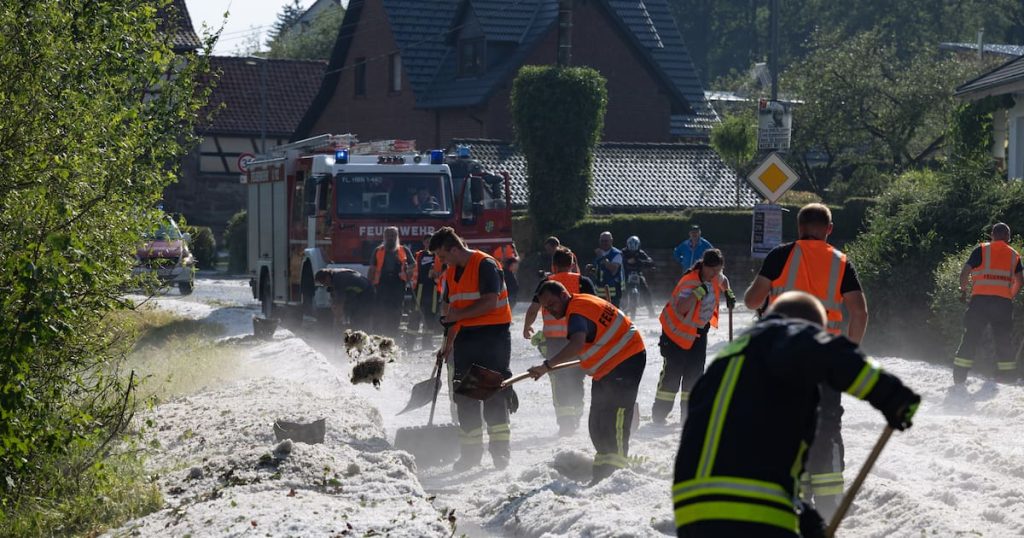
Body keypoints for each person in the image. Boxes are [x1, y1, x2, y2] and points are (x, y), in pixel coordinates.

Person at [673, 291, 920, 538]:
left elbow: (744, 457)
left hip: (691, 513)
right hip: (752, 509)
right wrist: (891, 395)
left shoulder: (725, 362)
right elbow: (831, 352)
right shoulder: (786, 333)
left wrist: (803, 517)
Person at [742, 202, 868, 519]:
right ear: (829, 229)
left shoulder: (780, 256)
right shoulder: (842, 262)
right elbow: (860, 312)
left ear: (798, 228)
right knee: (826, 427)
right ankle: (827, 507)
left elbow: (752, 301)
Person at [527, 280, 646, 484]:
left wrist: (547, 366)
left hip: (626, 360)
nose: (549, 310)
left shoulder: (577, 312)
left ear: (564, 295)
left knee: (614, 418)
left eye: (552, 304)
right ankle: (601, 472)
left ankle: (615, 475)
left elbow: (577, 343)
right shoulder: (579, 305)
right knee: (597, 422)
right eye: (545, 308)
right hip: (608, 366)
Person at [431, 227, 513, 471]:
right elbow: (452, 311)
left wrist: (457, 317)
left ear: (454, 249)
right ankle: (470, 455)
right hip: (467, 339)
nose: (441, 261)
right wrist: (447, 344)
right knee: (465, 397)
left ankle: (500, 454)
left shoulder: (486, 264)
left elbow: (489, 302)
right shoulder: (451, 272)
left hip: (493, 338)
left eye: (443, 256)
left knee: (493, 395)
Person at [652, 249, 734, 425]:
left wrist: (728, 293)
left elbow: (724, 280)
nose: (715, 274)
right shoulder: (688, 282)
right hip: (676, 334)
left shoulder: (716, 276)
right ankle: (659, 414)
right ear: (704, 266)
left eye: (718, 270)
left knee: (694, 375)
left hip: (697, 333)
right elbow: (681, 308)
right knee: (672, 375)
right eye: (713, 270)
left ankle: (687, 415)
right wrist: (698, 293)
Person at [522, 247, 597, 436]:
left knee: (558, 380)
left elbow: (532, 309)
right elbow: (595, 308)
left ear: (553, 265)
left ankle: (565, 424)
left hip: (554, 341)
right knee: (577, 379)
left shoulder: (547, 283)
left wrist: (526, 326)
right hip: (580, 339)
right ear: (572, 264)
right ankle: (577, 416)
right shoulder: (583, 281)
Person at [952, 222, 1024, 385]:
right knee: (1003, 339)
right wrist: (1009, 295)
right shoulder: (1014, 255)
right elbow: (1020, 281)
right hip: (1003, 304)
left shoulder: (981, 250)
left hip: (980, 302)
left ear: (992, 235)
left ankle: (959, 378)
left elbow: (965, 273)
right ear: (1008, 236)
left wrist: (963, 290)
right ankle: (1007, 379)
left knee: (970, 337)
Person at [368, 226, 414, 338]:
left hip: (397, 285)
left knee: (396, 311)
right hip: (381, 285)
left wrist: (407, 272)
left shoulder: (404, 250)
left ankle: (392, 336)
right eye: (388, 235)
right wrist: (369, 285)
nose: (390, 238)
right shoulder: (378, 251)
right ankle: (377, 337)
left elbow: (413, 265)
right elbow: (372, 269)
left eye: (393, 235)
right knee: (380, 311)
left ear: (397, 237)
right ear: (384, 237)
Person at [407, 234, 443, 350]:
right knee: (415, 315)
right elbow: (412, 269)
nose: (429, 244)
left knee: (430, 316)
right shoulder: (418, 255)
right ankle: (409, 343)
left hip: (433, 289)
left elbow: (443, 272)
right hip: (419, 289)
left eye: (431, 242)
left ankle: (427, 343)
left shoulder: (439, 256)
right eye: (427, 242)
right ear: (424, 243)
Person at [622, 235, 657, 317]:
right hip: (625, 275)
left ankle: (651, 310)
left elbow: (650, 261)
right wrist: (626, 262)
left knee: (646, 291)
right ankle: (623, 310)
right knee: (622, 291)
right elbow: (619, 260)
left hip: (637, 274)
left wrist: (641, 262)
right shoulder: (623, 252)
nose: (633, 252)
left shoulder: (641, 253)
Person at [592, 231, 624, 306]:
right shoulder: (599, 254)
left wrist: (602, 257)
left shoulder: (616, 254)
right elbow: (600, 272)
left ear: (611, 241)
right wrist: (592, 270)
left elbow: (613, 270)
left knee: (614, 314)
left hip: (613, 293)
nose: (604, 243)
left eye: (606, 241)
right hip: (600, 293)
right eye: (602, 241)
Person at [492, 243, 520, 309]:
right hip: (503, 274)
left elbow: (517, 259)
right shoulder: (497, 249)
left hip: (509, 277)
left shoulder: (511, 246)